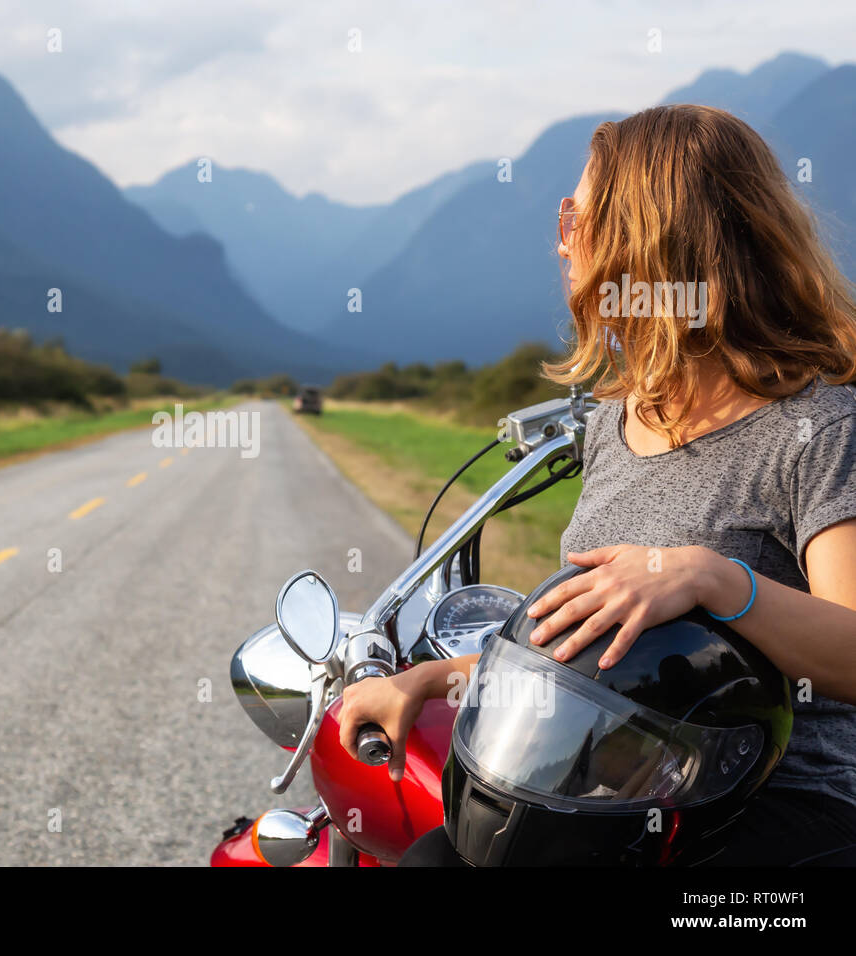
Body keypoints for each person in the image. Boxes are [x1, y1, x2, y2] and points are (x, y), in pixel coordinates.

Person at [338, 104, 856, 866]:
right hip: (601, 787)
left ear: (648, 241)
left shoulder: (818, 426)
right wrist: (434, 678)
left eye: (578, 215)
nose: (561, 238)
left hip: (777, 802)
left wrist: (714, 579)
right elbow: (600, 651)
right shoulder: (616, 423)